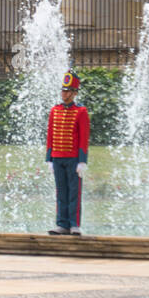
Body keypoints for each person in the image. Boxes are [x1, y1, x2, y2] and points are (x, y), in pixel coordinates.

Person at [46, 70, 90, 236]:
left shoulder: (81, 112)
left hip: (73, 158)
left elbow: (84, 137)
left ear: (74, 93)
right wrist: (49, 158)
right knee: (61, 192)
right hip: (57, 158)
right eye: (63, 90)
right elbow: (50, 135)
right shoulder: (55, 110)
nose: (64, 94)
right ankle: (62, 224)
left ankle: (74, 224)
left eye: (67, 91)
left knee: (74, 193)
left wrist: (82, 160)